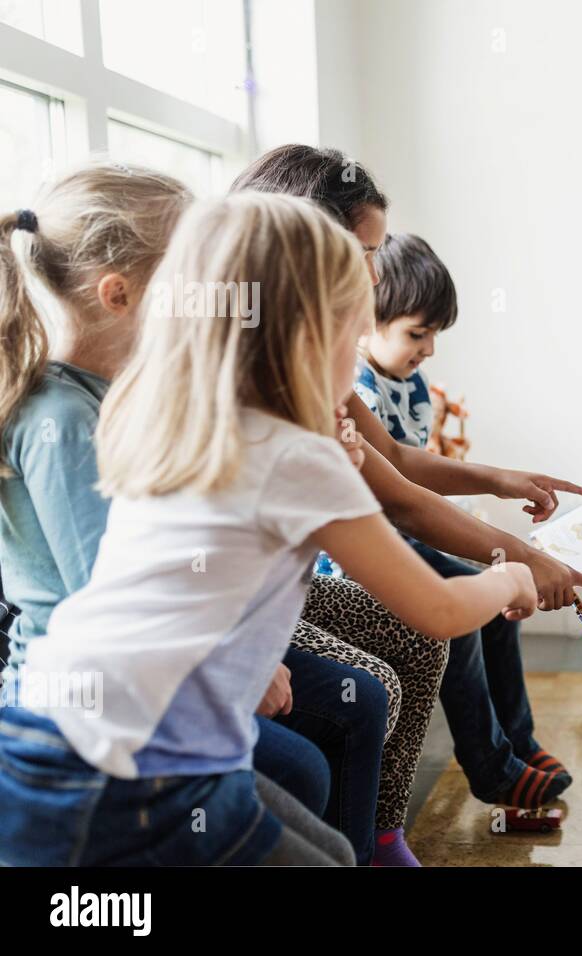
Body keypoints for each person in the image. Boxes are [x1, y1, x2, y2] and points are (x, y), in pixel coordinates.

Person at [0, 191, 538, 865]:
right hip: (129, 779)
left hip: (50, 741)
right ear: (315, 331)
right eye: (356, 323)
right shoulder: (295, 457)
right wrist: (507, 578)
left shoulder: (165, 418)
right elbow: (437, 608)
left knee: (332, 856)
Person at [231, 147, 582, 823]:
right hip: (245, 618)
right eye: (364, 251)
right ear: (305, 248)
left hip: (261, 606)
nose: (375, 273)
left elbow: (395, 465)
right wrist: (518, 566)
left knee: (421, 647)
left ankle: (395, 826)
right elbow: (398, 497)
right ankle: (474, 776)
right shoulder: (281, 381)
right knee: (422, 644)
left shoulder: (307, 366)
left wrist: (499, 483)